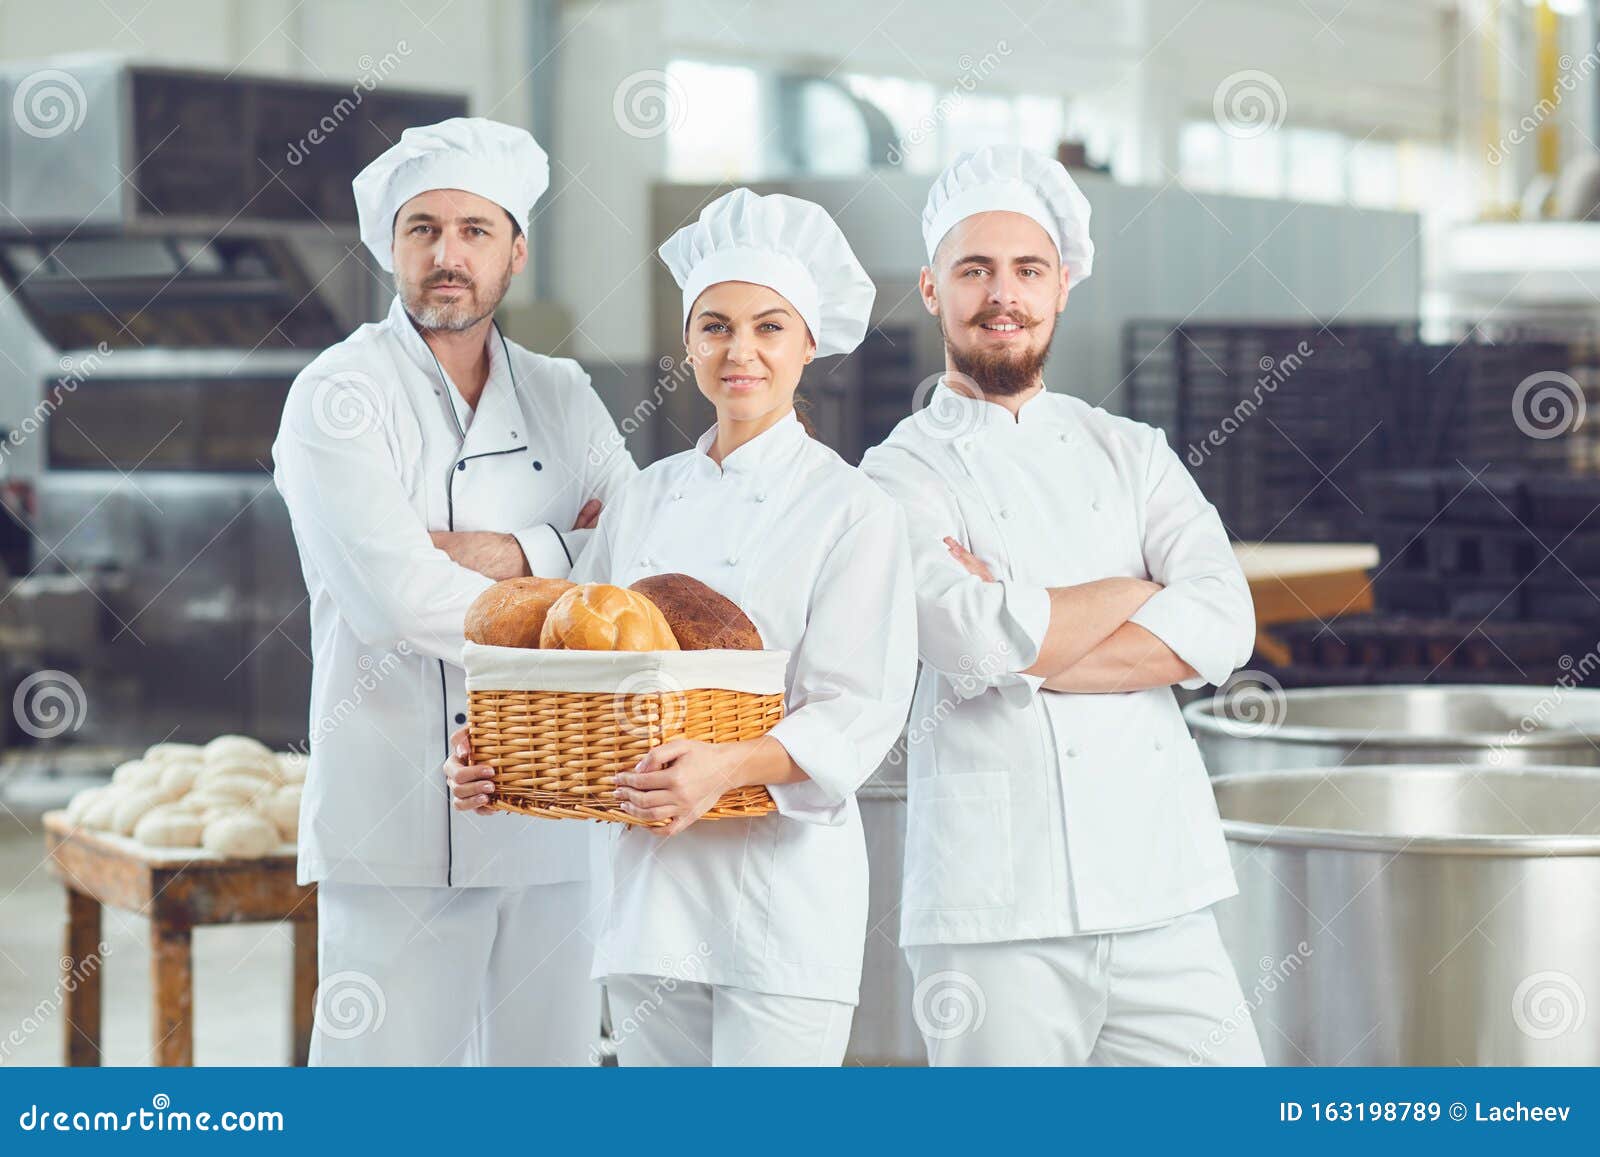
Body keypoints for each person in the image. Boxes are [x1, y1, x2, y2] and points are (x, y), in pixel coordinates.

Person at [445, 188, 917, 1066]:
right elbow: (571, 662)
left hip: (781, 897)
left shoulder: (853, 509)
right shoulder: (646, 494)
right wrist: (489, 751)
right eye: (716, 326)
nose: (741, 351)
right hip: (648, 896)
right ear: (688, 343)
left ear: (809, 343)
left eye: (770, 327)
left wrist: (727, 766)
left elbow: (858, 709)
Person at [860, 145, 1264, 1066]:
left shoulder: (1133, 451)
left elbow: (1224, 622)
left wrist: (1022, 640)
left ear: (1062, 287)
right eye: (975, 270)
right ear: (932, 288)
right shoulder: (895, 471)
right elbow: (960, 635)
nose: (1003, 294)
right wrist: (1137, 596)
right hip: (995, 908)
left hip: (1160, 887)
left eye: (1027, 270)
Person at [272, 117, 637, 1065]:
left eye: (475, 230)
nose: (447, 254)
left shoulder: (564, 393)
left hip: (555, 818)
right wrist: (567, 556)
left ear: (515, 252)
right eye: (422, 229)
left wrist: (506, 549)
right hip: (395, 825)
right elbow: (396, 596)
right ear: (389, 247)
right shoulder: (337, 395)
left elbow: (633, 561)